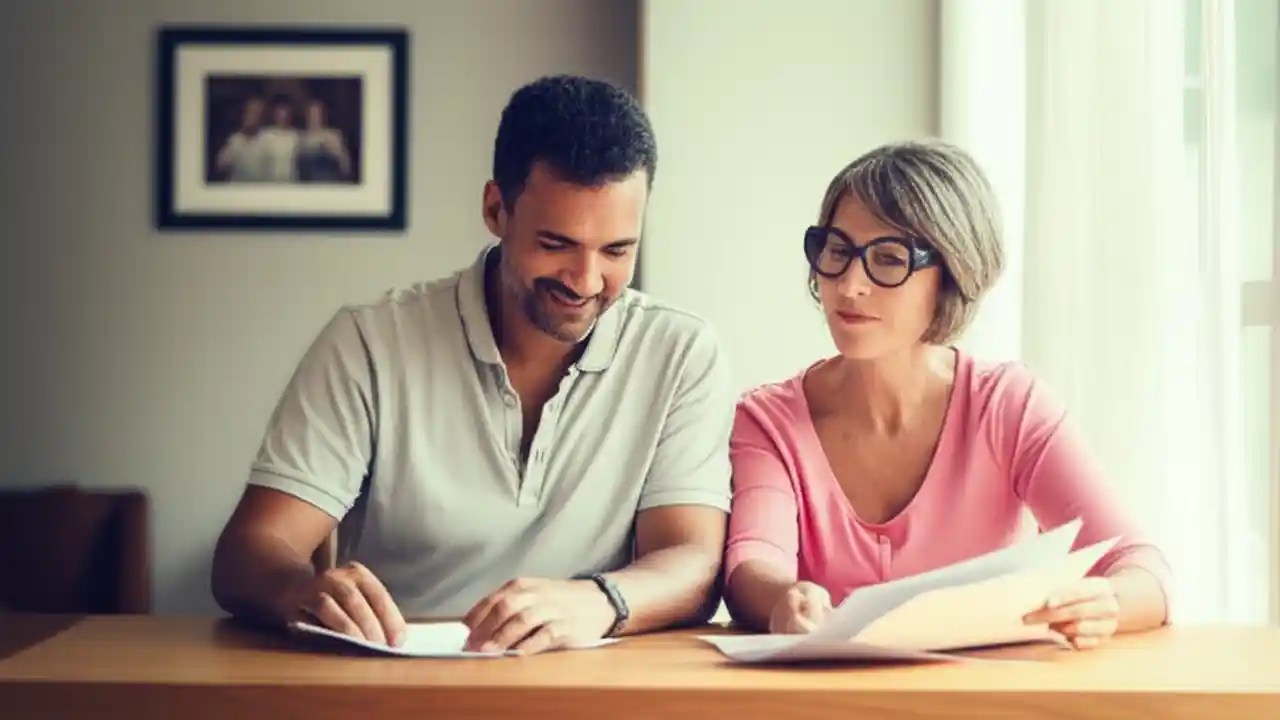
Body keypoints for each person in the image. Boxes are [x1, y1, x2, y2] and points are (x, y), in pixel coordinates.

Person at [211, 75, 733, 655]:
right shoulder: (370, 341)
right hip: (395, 688)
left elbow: (694, 561)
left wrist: (596, 600)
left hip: (586, 690)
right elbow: (250, 550)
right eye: (556, 244)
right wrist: (300, 593)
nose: (587, 282)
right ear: (495, 209)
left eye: (617, 251)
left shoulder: (680, 352)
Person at [722, 140, 1171, 650]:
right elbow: (751, 565)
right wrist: (784, 599)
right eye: (838, 251)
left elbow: (1143, 570)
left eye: (888, 260)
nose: (850, 285)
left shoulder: (1009, 406)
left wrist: (1105, 602)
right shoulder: (767, 420)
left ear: (954, 274)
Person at [296, 98, 352, 183]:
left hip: (328, 182)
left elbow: (345, 164)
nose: (314, 117)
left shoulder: (332, 135)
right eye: (311, 114)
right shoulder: (302, 137)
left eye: (317, 114)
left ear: (323, 116)